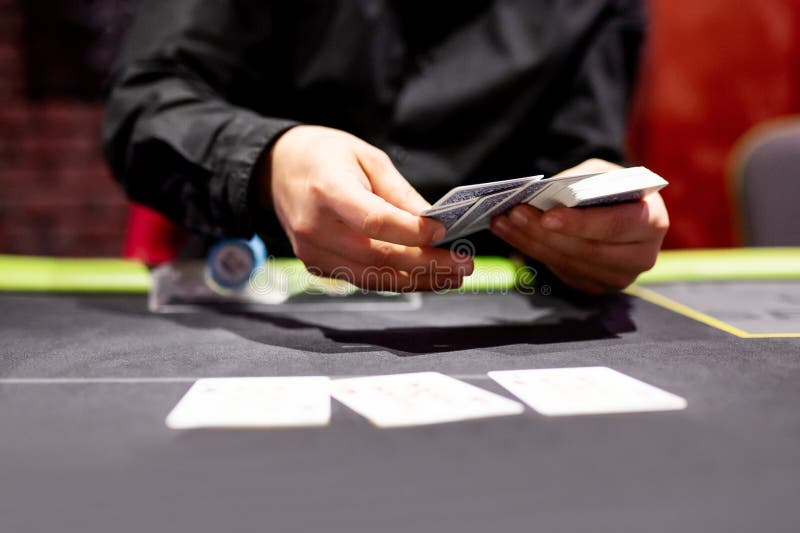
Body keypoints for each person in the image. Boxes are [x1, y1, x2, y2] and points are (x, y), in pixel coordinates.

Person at [103, 0, 669, 294]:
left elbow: (582, 158)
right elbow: (144, 103)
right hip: (255, 290)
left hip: (488, 309)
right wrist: (271, 161)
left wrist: (599, 227)